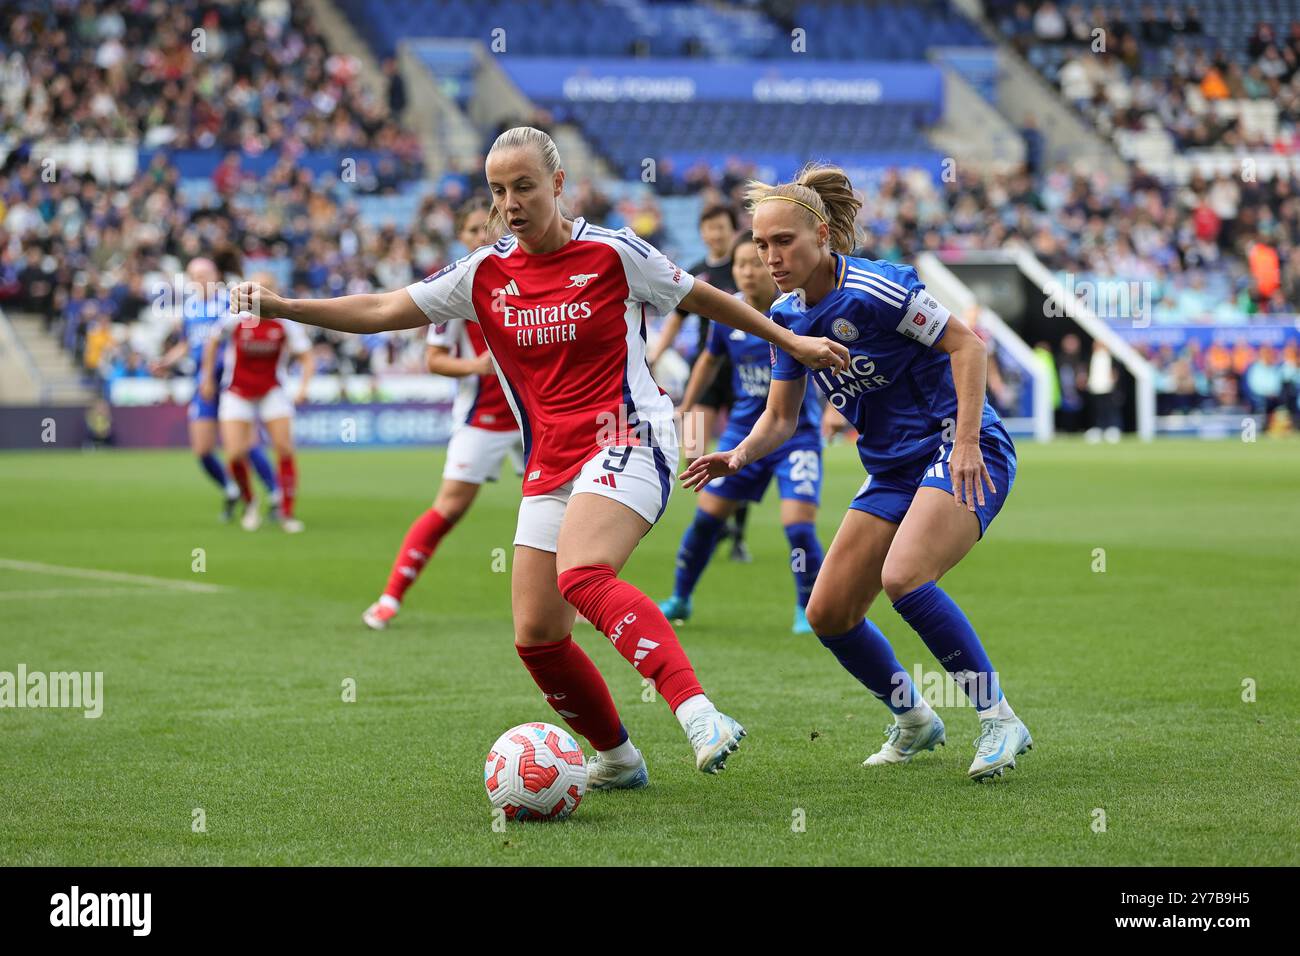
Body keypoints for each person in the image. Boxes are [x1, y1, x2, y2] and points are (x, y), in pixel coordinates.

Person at [231, 127, 848, 786]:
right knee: (536, 634)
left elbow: (702, 296)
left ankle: (699, 714)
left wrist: (791, 339)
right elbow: (384, 306)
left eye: (523, 186)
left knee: (582, 573)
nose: (511, 202)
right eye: (498, 191)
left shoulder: (613, 252)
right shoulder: (483, 272)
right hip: (551, 459)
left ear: (557, 184)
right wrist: (285, 305)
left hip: (628, 434)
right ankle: (617, 757)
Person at [682, 163, 1032, 783]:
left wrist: (971, 441)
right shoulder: (786, 316)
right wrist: (735, 456)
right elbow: (781, 418)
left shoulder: (877, 290)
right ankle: (916, 720)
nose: (770, 257)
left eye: (782, 241)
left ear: (820, 233)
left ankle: (999, 718)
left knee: (905, 576)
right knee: (829, 613)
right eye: (761, 245)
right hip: (893, 469)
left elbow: (968, 346)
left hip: (957, 446)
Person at [363, 203, 525, 630]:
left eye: (487, 228)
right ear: (460, 236)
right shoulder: (457, 289)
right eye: (471, 229)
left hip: (536, 420)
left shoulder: (530, 274)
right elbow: (434, 360)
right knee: (449, 508)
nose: (481, 236)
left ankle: (577, 601)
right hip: (483, 418)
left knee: (562, 509)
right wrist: (476, 366)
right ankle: (390, 598)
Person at [660, 231, 825, 634]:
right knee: (706, 520)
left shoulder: (800, 312)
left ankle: (808, 608)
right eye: (741, 265)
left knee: (799, 526)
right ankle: (681, 597)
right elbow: (707, 362)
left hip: (796, 435)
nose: (749, 272)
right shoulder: (728, 316)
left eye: (756, 263)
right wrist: (686, 407)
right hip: (741, 433)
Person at [648, 205, 754, 563]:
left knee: (737, 455)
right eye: (708, 228)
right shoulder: (695, 273)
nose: (715, 234)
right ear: (702, 232)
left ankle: (736, 530)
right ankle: (719, 522)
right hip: (705, 367)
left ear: (730, 228)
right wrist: (657, 354)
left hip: (742, 367)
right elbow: (676, 322)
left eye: (720, 227)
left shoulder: (746, 266)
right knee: (693, 450)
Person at [150, 257, 279, 521]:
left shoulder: (229, 303)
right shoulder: (190, 307)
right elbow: (187, 344)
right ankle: (232, 490)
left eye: (204, 273)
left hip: (230, 381)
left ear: (215, 274)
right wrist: (166, 361)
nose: (200, 279)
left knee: (246, 444)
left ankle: (275, 493)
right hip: (204, 382)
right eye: (195, 275)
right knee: (203, 449)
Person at [201, 273, 315, 533]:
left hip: (272, 391)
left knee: (284, 449)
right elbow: (213, 341)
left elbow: (307, 357)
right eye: (257, 288)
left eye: (267, 287)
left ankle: (286, 513)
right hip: (237, 391)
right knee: (234, 454)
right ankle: (250, 504)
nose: (261, 293)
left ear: (275, 291)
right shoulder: (236, 317)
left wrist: (304, 386)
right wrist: (206, 377)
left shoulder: (287, 323)